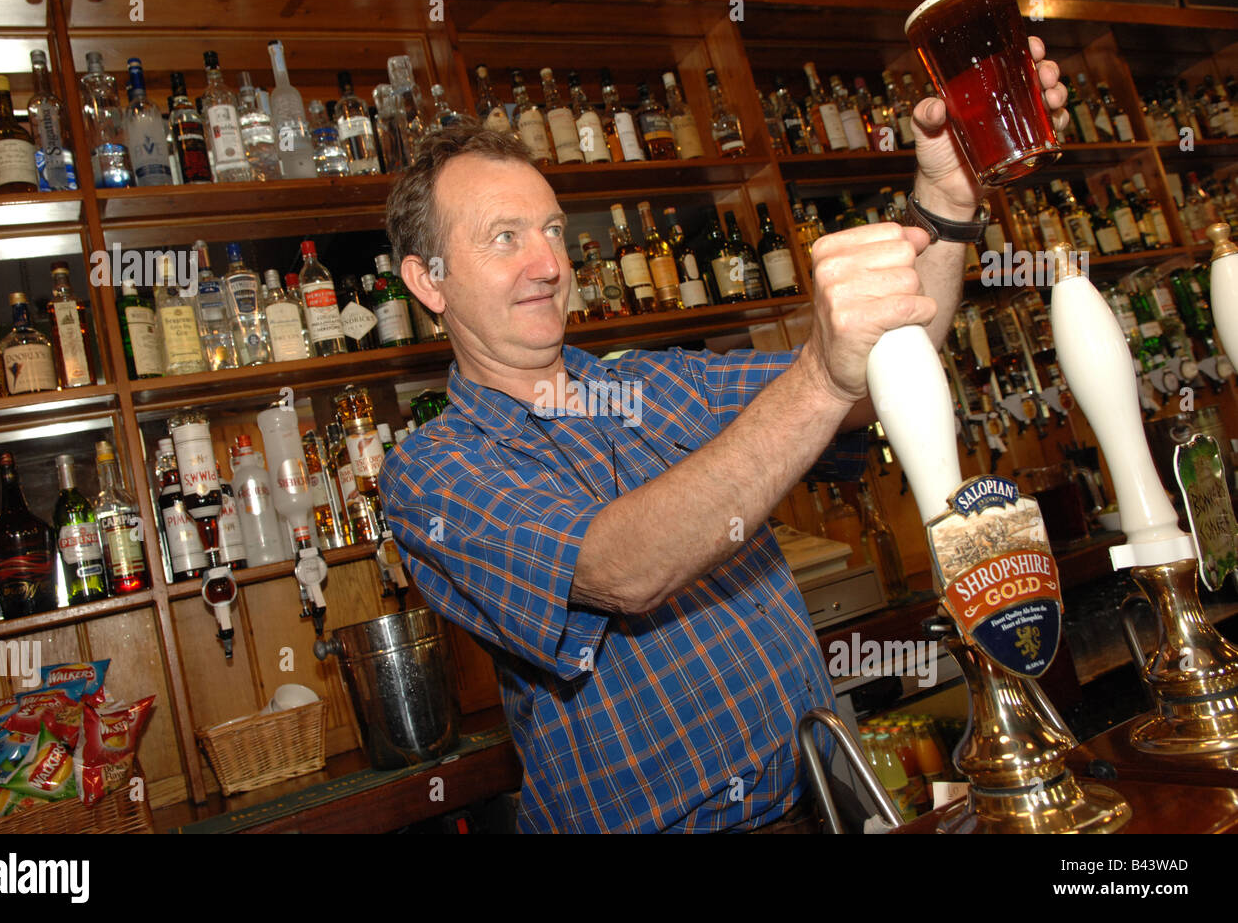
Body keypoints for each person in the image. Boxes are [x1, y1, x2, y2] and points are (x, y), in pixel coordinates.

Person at [380, 42, 1069, 833]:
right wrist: (821, 372)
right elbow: (618, 569)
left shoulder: (648, 383)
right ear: (428, 280)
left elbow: (872, 383)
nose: (548, 264)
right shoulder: (431, 470)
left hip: (826, 804)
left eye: (553, 230)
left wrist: (945, 201)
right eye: (505, 238)